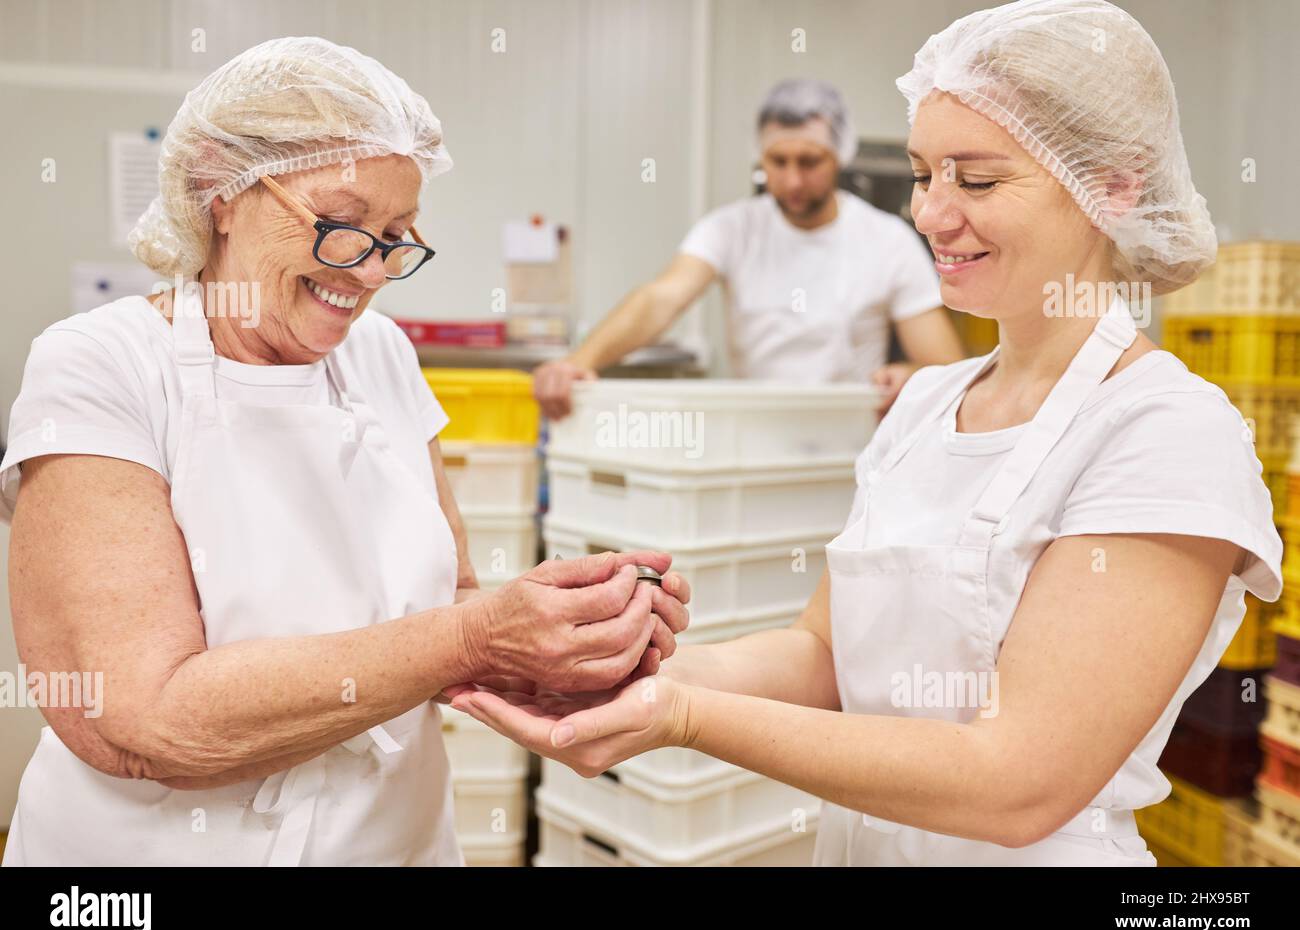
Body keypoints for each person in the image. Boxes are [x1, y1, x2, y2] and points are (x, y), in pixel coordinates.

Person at [447, 0, 1283, 866]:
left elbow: (1020, 781)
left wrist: (685, 718)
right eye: (926, 174)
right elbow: (822, 653)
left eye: (980, 181)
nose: (930, 214)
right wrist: (624, 676)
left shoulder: (1165, 433)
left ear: (1113, 184)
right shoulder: (926, 406)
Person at [0, 36, 689, 866]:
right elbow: (150, 718)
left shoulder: (381, 355)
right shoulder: (102, 365)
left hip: (392, 841)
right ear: (220, 189)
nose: (368, 272)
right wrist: (473, 641)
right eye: (344, 227)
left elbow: (453, 599)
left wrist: (558, 644)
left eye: (398, 236)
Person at [532, 78, 965, 419]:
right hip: (756, 438)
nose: (793, 180)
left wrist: (911, 377)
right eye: (778, 162)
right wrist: (578, 362)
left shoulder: (887, 240)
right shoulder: (732, 229)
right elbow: (661, 299)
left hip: (853, 447)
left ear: (840, 156)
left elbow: (945, 365)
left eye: (809, 162)